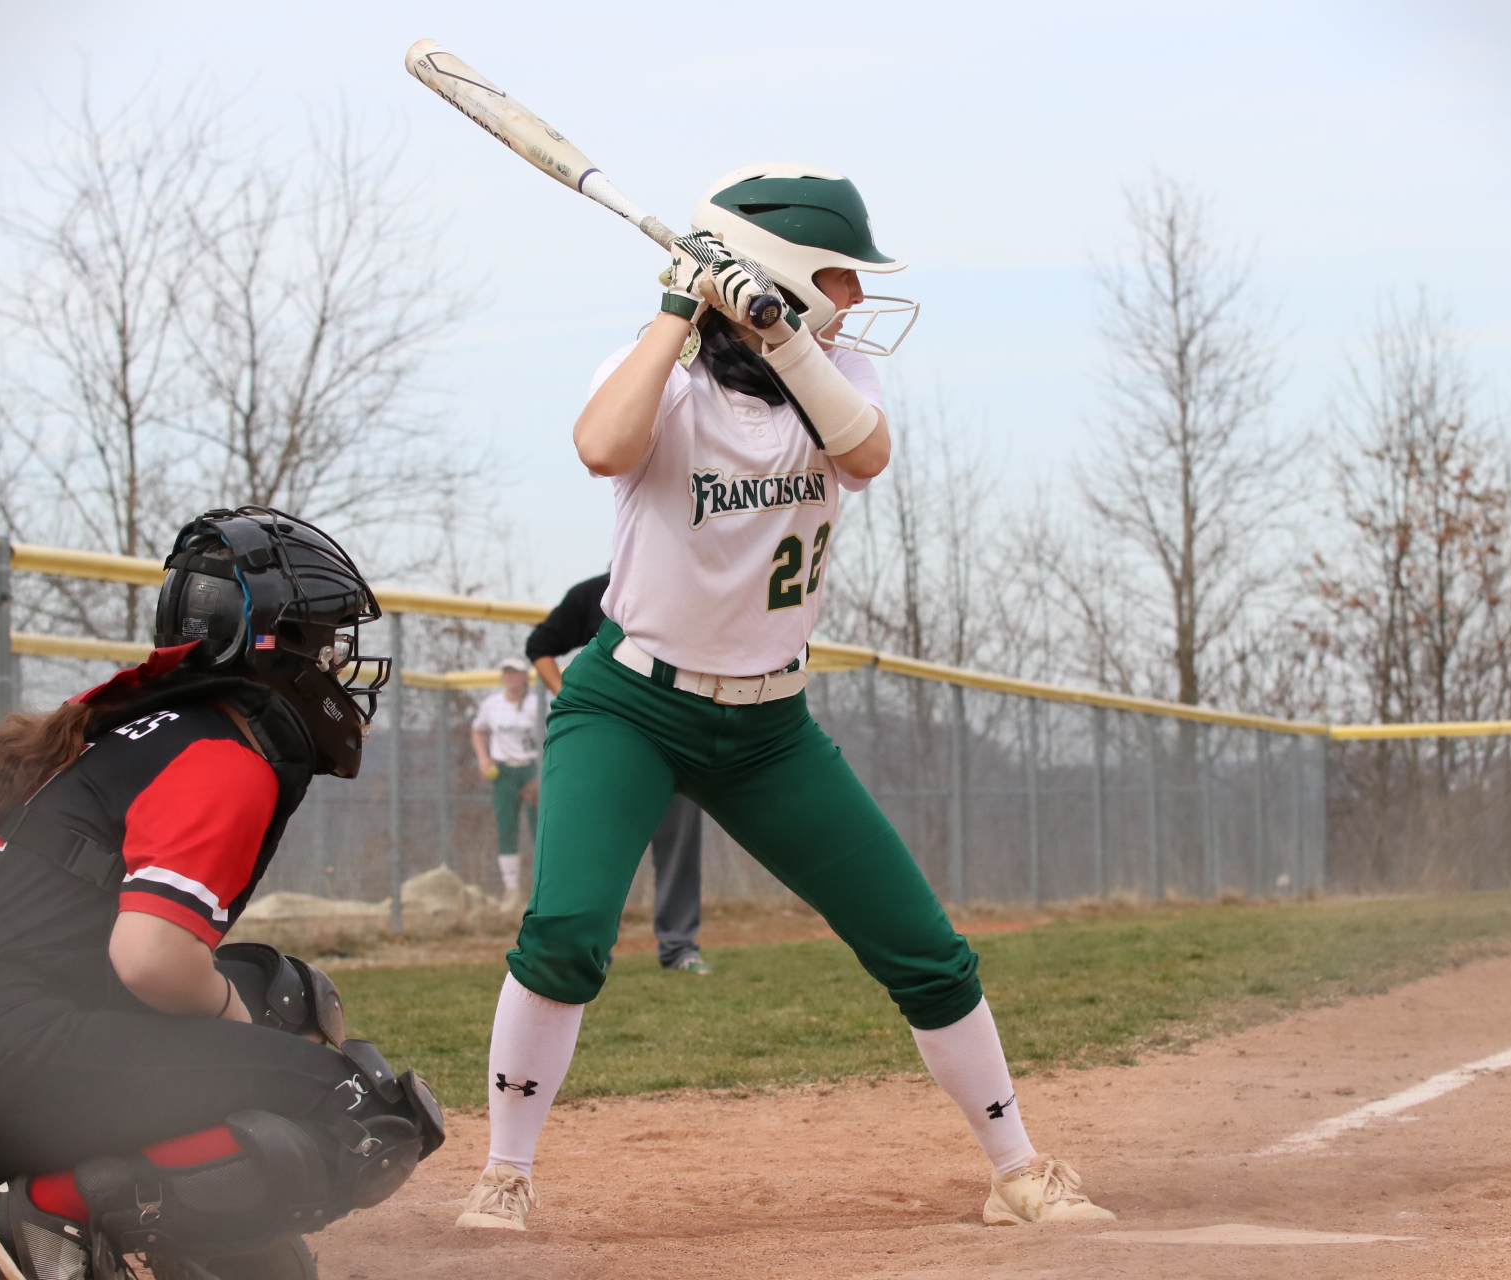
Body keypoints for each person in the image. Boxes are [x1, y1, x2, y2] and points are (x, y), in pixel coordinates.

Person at [457, 164, 1114, 1232]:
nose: (854, 296)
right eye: (839, 275)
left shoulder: (837, 372)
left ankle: (1017, 1169)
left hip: (770, 728)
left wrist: (787, 330)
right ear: (781, 269)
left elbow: (865, 452)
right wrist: (680, 306)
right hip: (630, 704)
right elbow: (599, 446)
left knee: (922, 944)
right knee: (568, 930)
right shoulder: (659, 377)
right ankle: (504, 1173)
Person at [0, 508, 444, 1280]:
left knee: (287, 996)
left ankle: (187, 1237)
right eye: (329, 641)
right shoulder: (224, 753)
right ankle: (54, 1211)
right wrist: (236, 1030)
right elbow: (148, 960)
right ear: (278, 642)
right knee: (369, 1117)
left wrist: (248, 1025)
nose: (340, 665)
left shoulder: (141, 727)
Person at [526, 573, 709, 973]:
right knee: (599, 851)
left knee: (679, 848)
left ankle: (679, 947)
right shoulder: (596, 594)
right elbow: (539, 646)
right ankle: (591, 951)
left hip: (677, 736)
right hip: (610, 745)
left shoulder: (686, 591)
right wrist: (573, 696)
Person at [471, 656, 544, 903]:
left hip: (533, 770)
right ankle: (512, 890)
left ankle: (543, 889)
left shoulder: (539, 703)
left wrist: (543, 773)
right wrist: (484, 759)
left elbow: (554, 735)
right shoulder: (493, 704)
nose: (510, 676)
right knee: (506, 829)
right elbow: (478, 731)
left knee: (541, 830)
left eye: (515, 672)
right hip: (504, 773)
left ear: (526, 676)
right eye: (506, 672)